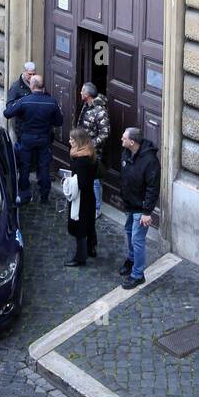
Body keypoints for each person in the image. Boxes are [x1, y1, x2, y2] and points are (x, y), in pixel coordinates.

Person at [3, 74, 63, 205]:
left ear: (32, 86)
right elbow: (59, 122)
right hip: (44, 138)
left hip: (27, 138)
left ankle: (24, 194)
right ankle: (44, 197)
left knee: (25, 166)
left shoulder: (25, 101)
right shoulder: (51, 102)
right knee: (44, 167)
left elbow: (7, 113)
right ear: (42, 87)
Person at [118, 127, 160, 290]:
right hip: (129, 204)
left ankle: (137, 274)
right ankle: (131, 259)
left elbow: (152, 188)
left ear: (132, 141)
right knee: (129, 233)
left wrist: (147, 212)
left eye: (123, 138)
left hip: (141, 209)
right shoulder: (126, 153)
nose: (121, 140)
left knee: (137, 240)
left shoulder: (150, 161)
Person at [63, 127, 98, 267]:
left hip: (82, 199)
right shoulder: (89, 154)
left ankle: (80, 257)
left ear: (79, 141)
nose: (69, 141)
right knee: (89, 224)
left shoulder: (82, 160)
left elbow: (81, 182)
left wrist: (68, 181)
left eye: (72, 139)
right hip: (88, 197)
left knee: (80, 228)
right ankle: (91, 248)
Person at [77, 81, 110, 218]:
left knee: (95, 180)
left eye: (82, 91)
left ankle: (96, 208)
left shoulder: (100, 111)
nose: (80, 93)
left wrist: (90, 145)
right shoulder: (86, 105)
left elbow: (104, 133)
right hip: (82, 148)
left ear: (88, 94)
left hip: (93, 152)